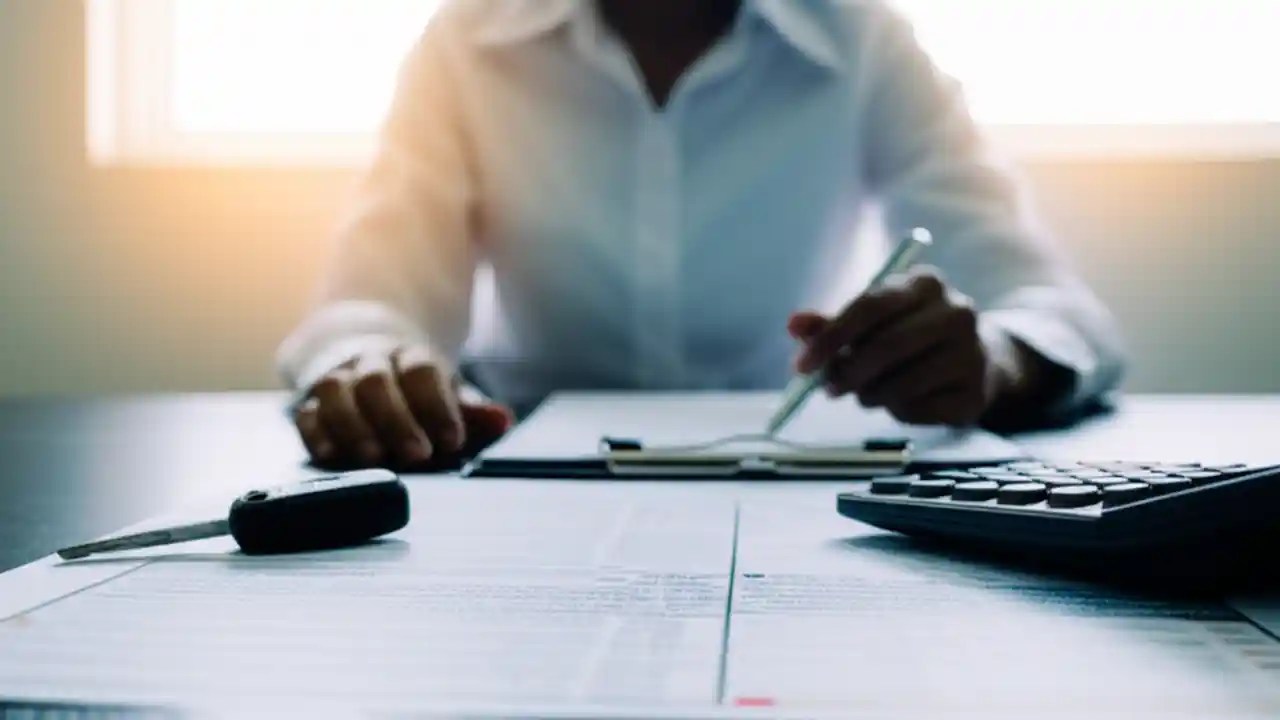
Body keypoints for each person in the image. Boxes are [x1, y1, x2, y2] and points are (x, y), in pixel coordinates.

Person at [278, 0, 1125, 470]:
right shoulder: (465, 41)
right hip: (512, 474)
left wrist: (992, 364)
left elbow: (1051, 310)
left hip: (779, 480)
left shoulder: (861, 38)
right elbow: (370, 304)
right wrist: (369, 366)